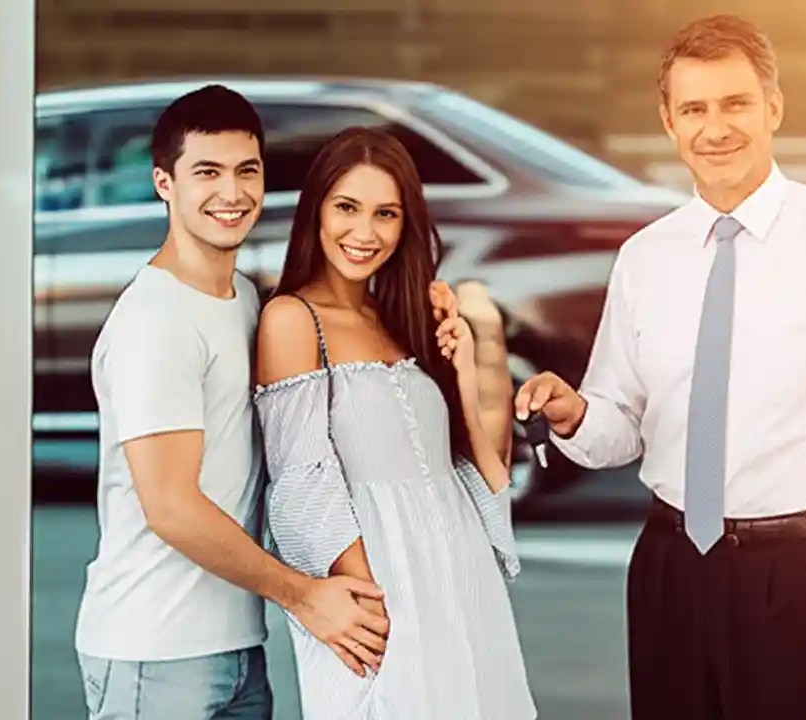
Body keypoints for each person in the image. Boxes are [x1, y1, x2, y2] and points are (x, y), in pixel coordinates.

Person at [516, 15, 806, 720]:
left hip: (805, 576)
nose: (715, 128)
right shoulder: (646, 258)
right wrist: (574, 414)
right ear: (667, 120)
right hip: (669, 569)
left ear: (773, 107)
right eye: (694, 109)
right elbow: (621, 425)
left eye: (735, 103)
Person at [74, 85, 388, 719]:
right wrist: (302, 595)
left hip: (236, 647)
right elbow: (171, 506)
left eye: (247, 171)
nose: (232, 192)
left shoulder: (244, 298)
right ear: (164, 183)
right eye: (206, 172)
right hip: (154, 652)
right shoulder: (155, 321)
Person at [252, 126, 536, 719]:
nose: (365, 233)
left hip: (458, 581)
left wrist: (463, 368)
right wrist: (379, 615)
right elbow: (303, 484)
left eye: (386, 213)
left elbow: (480, 469)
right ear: (316, 213)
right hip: (376, 594)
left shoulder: (402, 317)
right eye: (347, 208)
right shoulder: (292, 319)